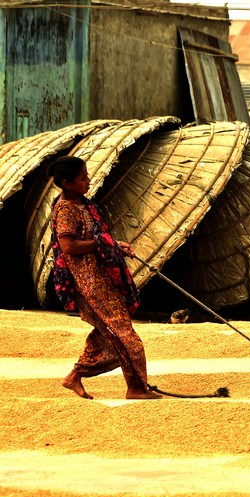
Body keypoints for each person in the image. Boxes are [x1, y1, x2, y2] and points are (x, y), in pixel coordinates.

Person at [49, 156, 160, 400]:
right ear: (67, 183)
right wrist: (102, 244)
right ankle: (136, 388)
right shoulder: (66, 209)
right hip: (88, 283)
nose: (88, 181)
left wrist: (115, 245)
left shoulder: (82, 203)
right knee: (126, 336)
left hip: (101, 278)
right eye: (82, 178)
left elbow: (96, 238)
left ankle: (75, 375)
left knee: (109, 337)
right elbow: (68, 246)